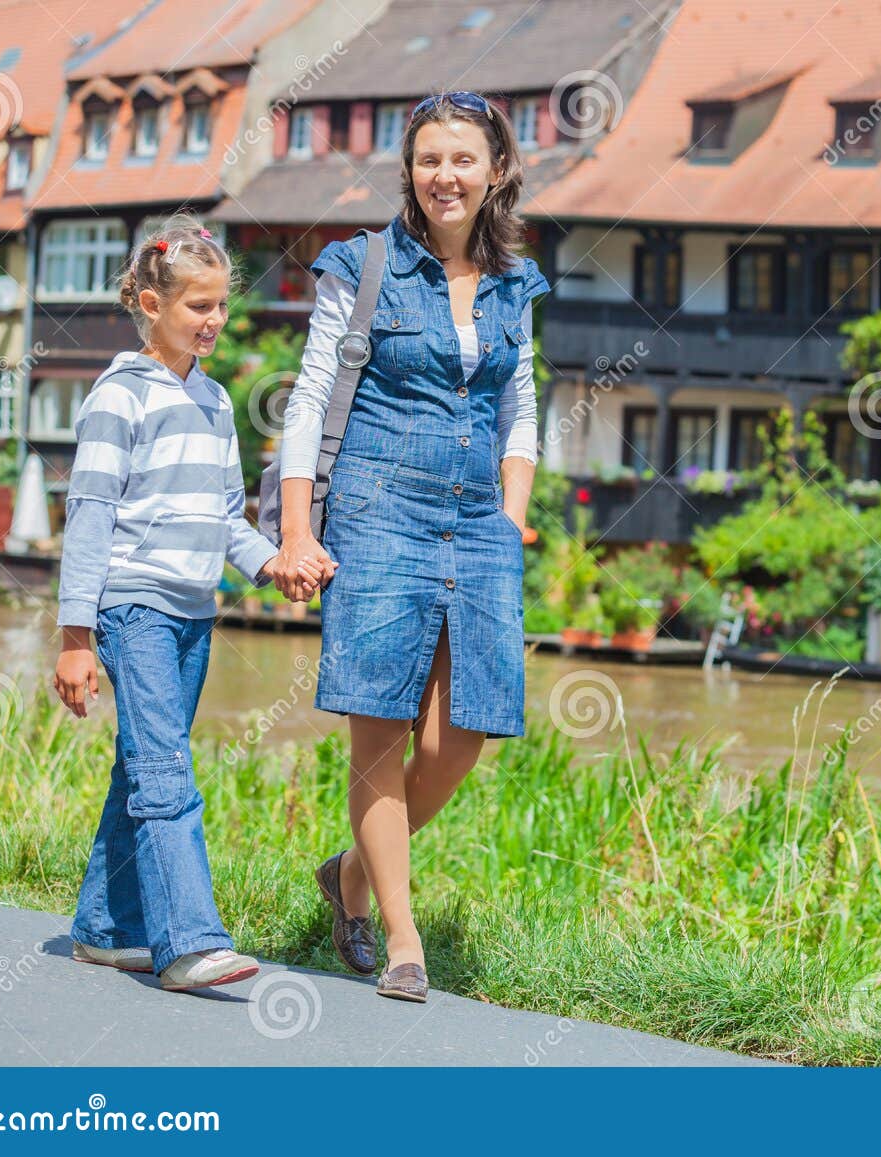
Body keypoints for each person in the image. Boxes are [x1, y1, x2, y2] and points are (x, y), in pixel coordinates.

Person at [274, 92, 549, 1002]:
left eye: (463, 159)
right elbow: (310, 399)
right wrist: (298, 528)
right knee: (379, 729)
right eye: (430, 159)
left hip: (479, 524)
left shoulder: (515, 284)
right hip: (377, 513)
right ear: (410, 170)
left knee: (464, 735)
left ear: (497, 170)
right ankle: (401, 938)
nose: (445, 176)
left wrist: (511, 516)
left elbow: (520, 409)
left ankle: (348, 873)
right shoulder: (361, 265)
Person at [53, 214, 310, 991]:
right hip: (134, 607)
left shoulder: (216, 401)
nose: (215, 320)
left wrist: (273, 564)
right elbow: (89, 513)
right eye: (199, 305)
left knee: (141, 767)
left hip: (195, 613)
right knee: (166, 768)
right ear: (151, 304)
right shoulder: (118, 396)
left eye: (222, 305)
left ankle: (103, 928)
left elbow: (228, 517)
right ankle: (189, 941)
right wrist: (74, 636)